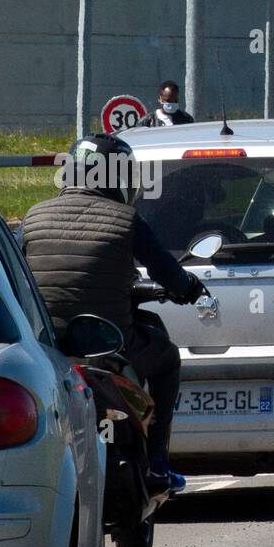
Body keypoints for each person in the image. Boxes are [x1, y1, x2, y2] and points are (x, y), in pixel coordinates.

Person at [22, 133, 205, 491]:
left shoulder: (33, 217)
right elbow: (169, 273)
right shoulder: (126, 220)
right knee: (166, 359)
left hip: (49, 347)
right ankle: (156, 463)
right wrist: (190, 288)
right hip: (111, 346)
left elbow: (13, 271)